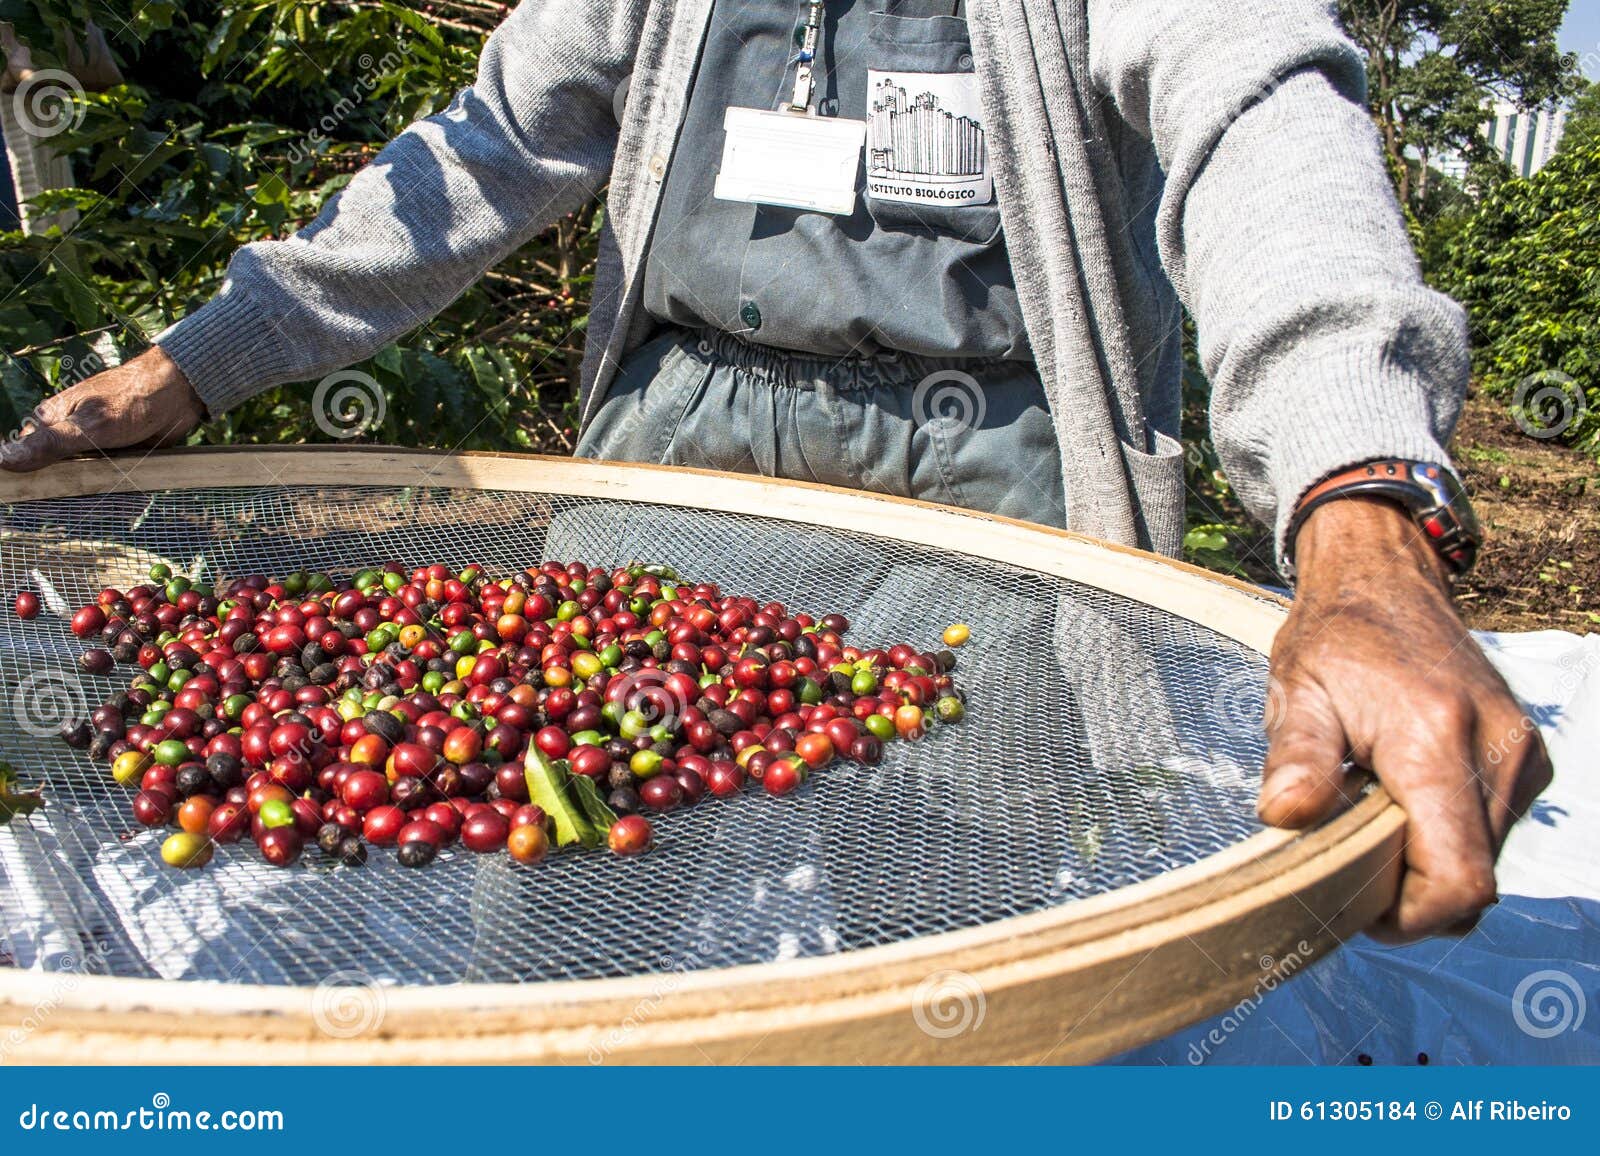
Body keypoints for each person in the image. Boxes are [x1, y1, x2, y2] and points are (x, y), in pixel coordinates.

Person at [0, 1, 1550, 940]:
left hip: (988, 470)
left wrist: (1361, 509)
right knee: (570, 866)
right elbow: (474, 153)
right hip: (686, 450)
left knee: (946, 894)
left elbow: (1264, 121)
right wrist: (200, 358)